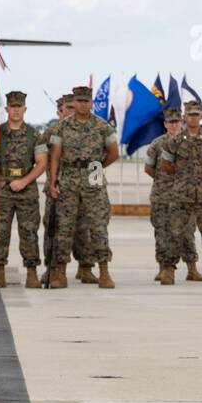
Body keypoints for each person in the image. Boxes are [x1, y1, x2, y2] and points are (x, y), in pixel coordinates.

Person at [47, 86, 118, 289]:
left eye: (86, 101)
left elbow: (114, 152)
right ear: (74, 103)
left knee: (98, 225)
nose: (82, 104)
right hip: (69, 175)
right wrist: (53, 181)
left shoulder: (102, 126)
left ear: (91, 103)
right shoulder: (63, 127)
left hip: (93, 174)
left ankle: (103, 270)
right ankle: (60, 271)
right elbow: (56, 156)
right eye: (79, 101)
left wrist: (98, 166)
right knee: (65, 226)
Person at [159, 101, 202, 285]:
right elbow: (164, 164)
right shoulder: (174, 141)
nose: (193, 117)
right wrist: (181, 176)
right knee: (175, 232)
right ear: (185, 117)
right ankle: (169, 270)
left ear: (201, 117)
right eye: (190, 114)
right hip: (181, 195)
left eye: (196, 114)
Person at [0, 91, 46, 289]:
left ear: (24, 109)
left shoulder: (34, 135)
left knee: (29, 232)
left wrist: (24, 181)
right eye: (12, 107)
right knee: (0, 232)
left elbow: (41, 163)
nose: (15, 110)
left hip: (26, 190)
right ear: (6, 109)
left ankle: (31, 273)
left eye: (19, 107)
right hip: (2, 189)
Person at [145, 108, 198, 282]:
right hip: (161, 196)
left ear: (181, 123)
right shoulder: (157, 144)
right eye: (170, 122)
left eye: (177, 121)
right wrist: (163, 180)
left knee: (188, 232)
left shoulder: (191, 142)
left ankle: (192, 268)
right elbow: (148, 168)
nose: (174, 125)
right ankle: (163, 268)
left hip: (185, 197)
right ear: (165, 124)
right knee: (162, 233)